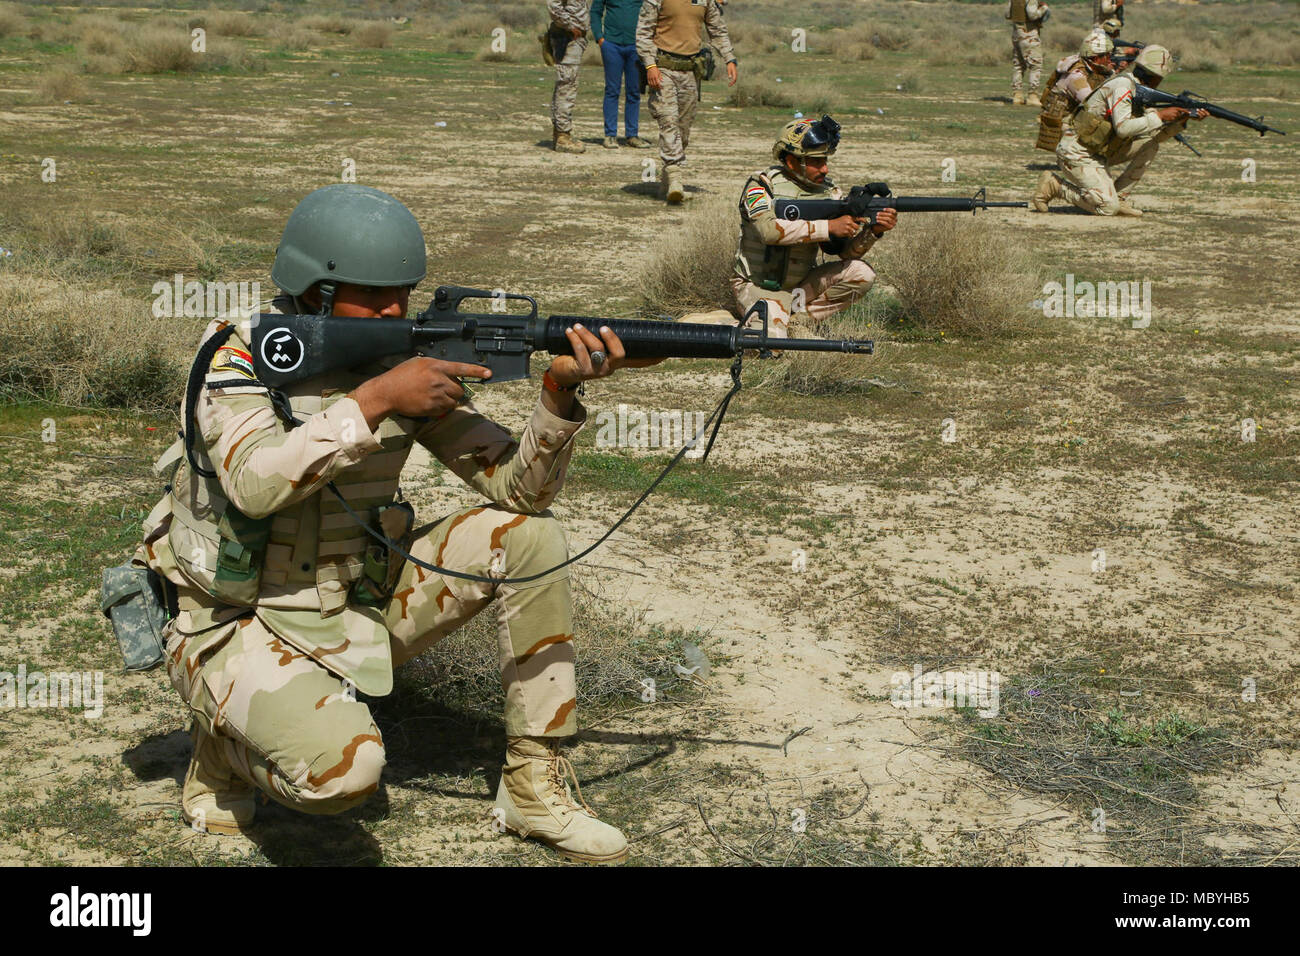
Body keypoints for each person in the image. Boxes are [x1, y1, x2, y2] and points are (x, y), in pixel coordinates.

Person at [139, 184, 659, 864]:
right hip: (232, 616)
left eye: (401, 294)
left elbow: (518, 492)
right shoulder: (237, 354)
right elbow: (257, 483)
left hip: (350, 601)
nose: (392, 312)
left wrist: (559, 394)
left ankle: (534, 786)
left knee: (533, 539)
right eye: (372, 296)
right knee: (343, 775)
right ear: (315, 290)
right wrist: (378, 399)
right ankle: (225, 752)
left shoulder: (400, 358)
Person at [731, 116, 897, 339]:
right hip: (757, 288)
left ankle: (800, 322)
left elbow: (844, 252)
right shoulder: (762, 185)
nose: (825, 169)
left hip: (799, 289)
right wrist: (828, 227)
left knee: (861, 273)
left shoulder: (829, 193)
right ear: (791, 161)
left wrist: (874, 232)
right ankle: (767, 323)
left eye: (825, 160)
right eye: (816, 162)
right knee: (771, 344)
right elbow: (768, 232)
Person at [1031, 45, 1208, 216]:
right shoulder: (1123, 86)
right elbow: (1123, 129)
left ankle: (1120, 196)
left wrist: (1180, 121)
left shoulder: (1137, 90)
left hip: (1099, 150)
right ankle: (1055, 186)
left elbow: (1155, 136)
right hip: (1077, 152)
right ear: (1156, 75)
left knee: (1150, 145)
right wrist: (1161, 117)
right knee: (1107, 208)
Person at [636, 0, 738, 204]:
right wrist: (650, 65)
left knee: (683, 129)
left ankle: (666, 185)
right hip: (663, 69)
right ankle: (675, 179)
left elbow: (717, 29)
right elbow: (643, 33)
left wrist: (729, 58)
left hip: (690, 72)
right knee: (668, 121)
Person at [1033, 31, 1114, 155]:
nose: (1110, 59)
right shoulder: (1076, 76)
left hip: (1069, 117)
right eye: (1107, 56)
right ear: (1096, 58)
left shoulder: (1087, 65)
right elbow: (1092, 103)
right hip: (1062, 123)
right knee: (1100, 124)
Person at [591, 0, 652, 149]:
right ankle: (610, 135)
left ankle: (632, 135)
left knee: (634, 91)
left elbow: (653, 12)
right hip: (611, 45)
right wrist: (600, 38)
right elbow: (595, 12)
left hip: (636, 46)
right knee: (612, 90)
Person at [549, 0, 590, 153]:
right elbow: (554, 6)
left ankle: (560, 131)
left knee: (565, 84)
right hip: (566, 38)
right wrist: (570, 26)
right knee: (566, 85)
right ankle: (562, 136)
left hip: (574, 39)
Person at [1007, 0, 1049, 107]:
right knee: (1035, 65)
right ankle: (1032, 96)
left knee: (1018, 65)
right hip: (1029, 35)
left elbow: (1007, 14)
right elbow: (1032, 15)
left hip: (1016, 33)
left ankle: (1017, 95)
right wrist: (1044, 9)